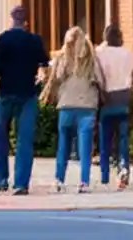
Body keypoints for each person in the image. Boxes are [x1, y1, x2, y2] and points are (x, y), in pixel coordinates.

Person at [0, 5, 51, 195]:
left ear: (12, 20)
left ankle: (1, 180)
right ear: (26, 22)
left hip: (6, 92)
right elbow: (44, 62)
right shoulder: (34, 40)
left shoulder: (3, 39)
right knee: (24, 140)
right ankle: (21, 183)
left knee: (0, 137)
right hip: (27, 94)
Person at [42, 26, 105, 194]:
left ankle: (59, 179)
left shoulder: (62, 58)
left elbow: (56, 78)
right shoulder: (91, 60)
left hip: (66, 106)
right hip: (87, 107)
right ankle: (84, 182)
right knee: (85, 148)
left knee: (63, 145)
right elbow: (100, 81)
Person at [96, 24, 133, 189]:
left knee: (105, 138)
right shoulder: (127, 53)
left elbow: (97, 76)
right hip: (123, 97)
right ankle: (124, 168)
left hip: (106, 98)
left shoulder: (100, 53)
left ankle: (105, 175)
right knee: (123, 138)